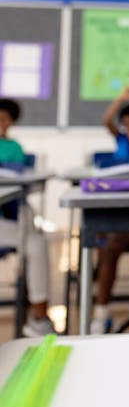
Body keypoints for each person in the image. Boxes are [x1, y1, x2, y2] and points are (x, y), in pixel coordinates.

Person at [90, 88, 129, 334]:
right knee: (108, 243)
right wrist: (120, 100)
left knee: (113, 243)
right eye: (126, 123)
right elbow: (106, 120)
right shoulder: (121, 141)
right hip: (118, 210)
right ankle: (101, 312)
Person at [0, 97, 56, 336]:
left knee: (36, 241)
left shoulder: (14, 149)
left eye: (3, 119)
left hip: (5, 221)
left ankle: (39, 319)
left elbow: (19, 185)